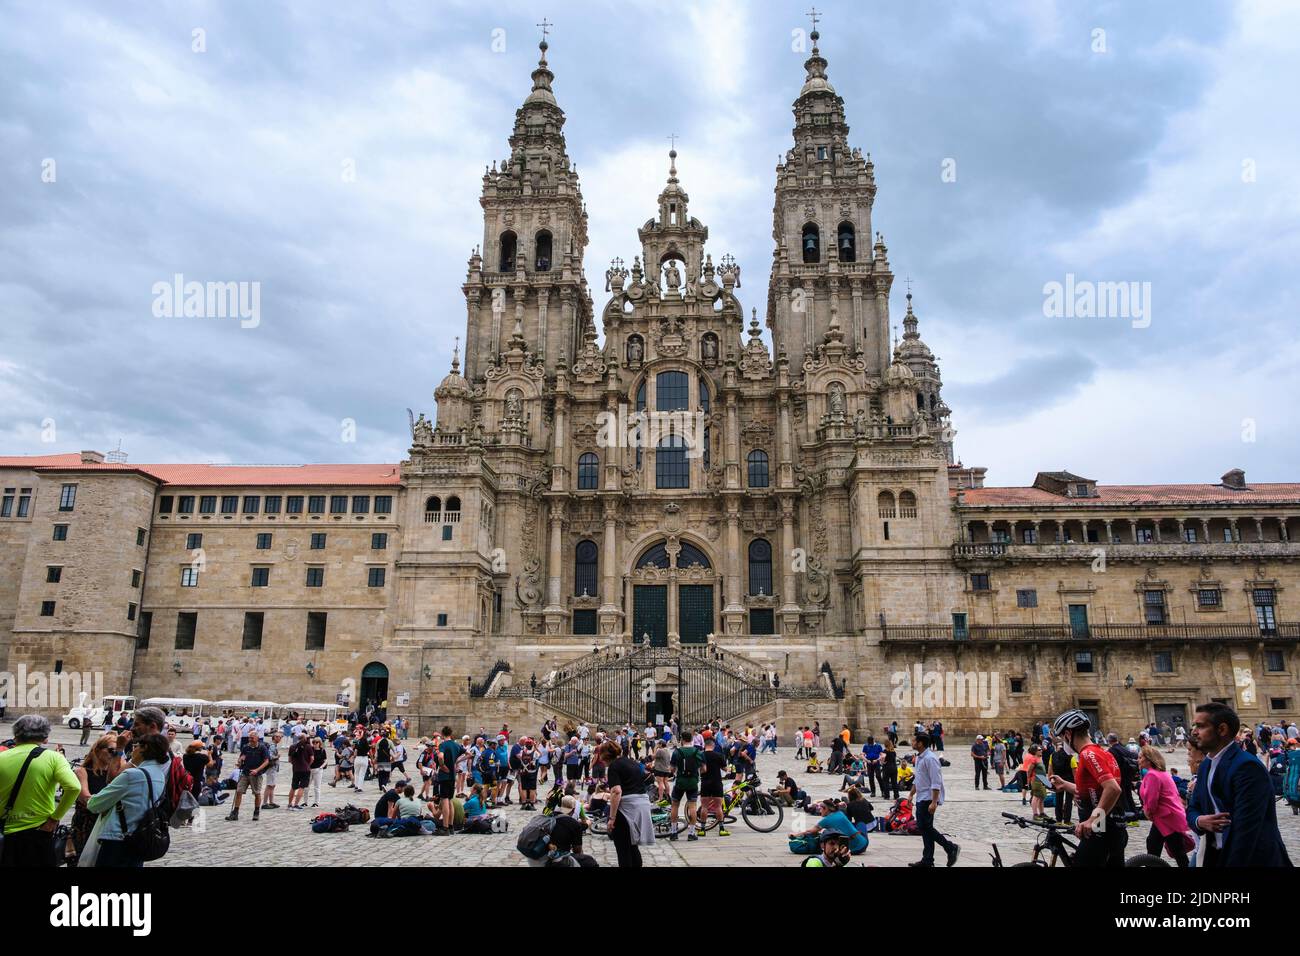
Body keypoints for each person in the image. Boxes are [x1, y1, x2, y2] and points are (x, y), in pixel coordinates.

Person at [1186, 702, 1292, 867]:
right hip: (1215, 854)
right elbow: (1193, 808)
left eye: (1200, 726)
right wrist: (1200, 821)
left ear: (1222, 729)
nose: (1194, 731)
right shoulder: (1206, 764)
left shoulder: (1247, 766)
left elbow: (1247, 831)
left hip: (1250, 859)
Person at [1047, 709, 1127, 867]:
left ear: (1068, 734)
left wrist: (1092, 820)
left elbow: (1113, 788)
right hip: (1113, 826)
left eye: (1062, 737)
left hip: (1100, 830)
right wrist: (1064, 784)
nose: (1063, 742)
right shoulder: (1102, 753)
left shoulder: (1087, 754)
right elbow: (1093, 791)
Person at [0, 715, 81, 866]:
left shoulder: (2, 757)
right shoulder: (54, 758)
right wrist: (55, 818)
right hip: (39, 830)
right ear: (45, 738)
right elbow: (74, 787)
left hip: (6, 829)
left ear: (16, 736)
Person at [82, 732, 171, 867]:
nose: (133, 750)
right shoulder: (159, 775)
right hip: (139, 838)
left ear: (144, 748)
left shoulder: (132, 775)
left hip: (118, 839)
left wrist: (90, 798)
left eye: (135, 746)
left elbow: (95, 805)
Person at [598, 740, 654, 867]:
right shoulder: (631, 762)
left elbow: (616, 791)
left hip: (627, 808)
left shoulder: (614, 766)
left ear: (605, 755)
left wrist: (612, 818)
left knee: (623, 847)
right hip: (642, 804)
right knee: (632, 845)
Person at [907, 732, 959, 867]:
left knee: (925, 827)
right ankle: (928, 860)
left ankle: (950, 847)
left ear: (920, 743)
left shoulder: (930, 759)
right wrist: (911, 794)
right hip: (921, 797)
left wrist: (934, 802)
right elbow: (918, 779)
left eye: (914, 741)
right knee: (924, 829)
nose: (912, 743)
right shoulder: (919, 758)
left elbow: (936, 782)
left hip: (928, 798)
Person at [1138, 746, 1191, 867]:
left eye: (1140, 758)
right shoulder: (1162, 773)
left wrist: (1147, 812)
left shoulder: (1152, 775)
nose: (1138, 760)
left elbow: (1152, 800)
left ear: (1148, 760)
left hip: (1167, 818)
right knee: (1154, 844)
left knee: (1176, 850)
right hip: (1167, 816)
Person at [225, 729, 270, 821]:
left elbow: (266, 761)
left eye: (252, 737)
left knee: (257, 793)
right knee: (239, 791)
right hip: (245, 772)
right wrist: (240, 761)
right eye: (249, 737)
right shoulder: (246, 747)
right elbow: (241, 757)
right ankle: (235, 812)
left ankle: (256, 812)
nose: (250, 739)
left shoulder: (262, 748)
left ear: (257, 738)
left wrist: (257, 770)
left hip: (256, 774)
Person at [668, 735, 702, 841]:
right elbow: (704, 768)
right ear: (692, 740)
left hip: (680, 782)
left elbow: (672, 769)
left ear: (682, 740)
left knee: (674, 806)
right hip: (692, 782)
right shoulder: (697, 752)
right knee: (692, 807)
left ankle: (674, 832)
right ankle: (691, 833)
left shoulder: (677, 752)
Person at [698, 734, 729, 837]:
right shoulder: (719, 755)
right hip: (716, 782)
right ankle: (721, 829)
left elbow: (700, 769)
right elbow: (725, 769)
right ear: (714, 745)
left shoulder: (701, 755)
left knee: (704, 806)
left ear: (704, 745)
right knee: (718, 806)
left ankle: (702, 829)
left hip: (705, 782)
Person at [287, 734, 313, 810]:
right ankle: (296, 804)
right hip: (305, 769)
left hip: (296, 769)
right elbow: (312, 758)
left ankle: (289, 804)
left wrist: (294, 764)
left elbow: (289, 760)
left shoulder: (292, 747)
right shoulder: (308, 747)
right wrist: (308, 765)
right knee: (302, 787)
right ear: (305, 739)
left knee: (293, 787)